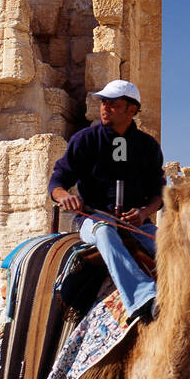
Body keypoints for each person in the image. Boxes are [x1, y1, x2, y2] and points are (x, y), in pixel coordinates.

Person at [48, 80, 165, 322]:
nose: (104, 108)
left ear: (131, 110)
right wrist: (65, 196)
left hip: (138, 225)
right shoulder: (84, 140)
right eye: (104, 103)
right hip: (95, 220)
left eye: (113, 104)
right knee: (104, 233)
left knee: (171, 250)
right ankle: (141, 298)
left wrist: (143, 213)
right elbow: (57, 182)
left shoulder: (148, 147)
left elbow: (159, 194)